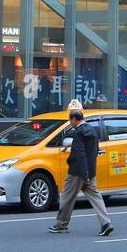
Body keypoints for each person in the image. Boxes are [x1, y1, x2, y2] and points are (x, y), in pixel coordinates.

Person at [49, 101, 113, 237]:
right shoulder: (93, 131)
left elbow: (80, 155)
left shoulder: (78, 134)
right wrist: (90, 173)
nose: (70, 123)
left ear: (74, 119)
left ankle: (61, 224)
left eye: (70, 120)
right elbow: (94, 151)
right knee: (96, 197)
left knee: (66, 197)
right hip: (91, 170)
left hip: (77, 172)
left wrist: (84, 174)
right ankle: (106, 223)